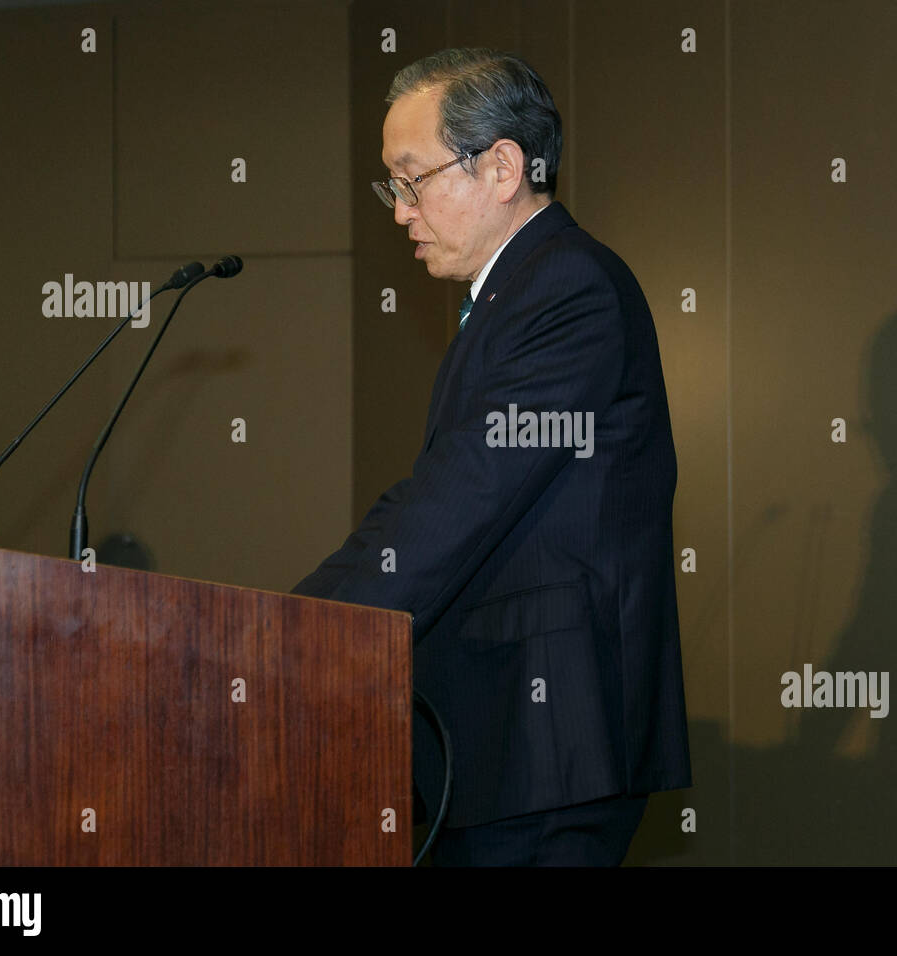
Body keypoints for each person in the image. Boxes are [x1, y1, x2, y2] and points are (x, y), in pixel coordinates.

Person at [291, 47, 690, 866]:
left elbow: (462, 497)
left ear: (503, 166)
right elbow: (438, 495)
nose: (399, 209)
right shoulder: (516, 295)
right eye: (391, 186)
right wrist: (289, 620)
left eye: (412, 179)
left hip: (545, 742)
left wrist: (298, 634)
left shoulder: (566, 286)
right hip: (508, 742)